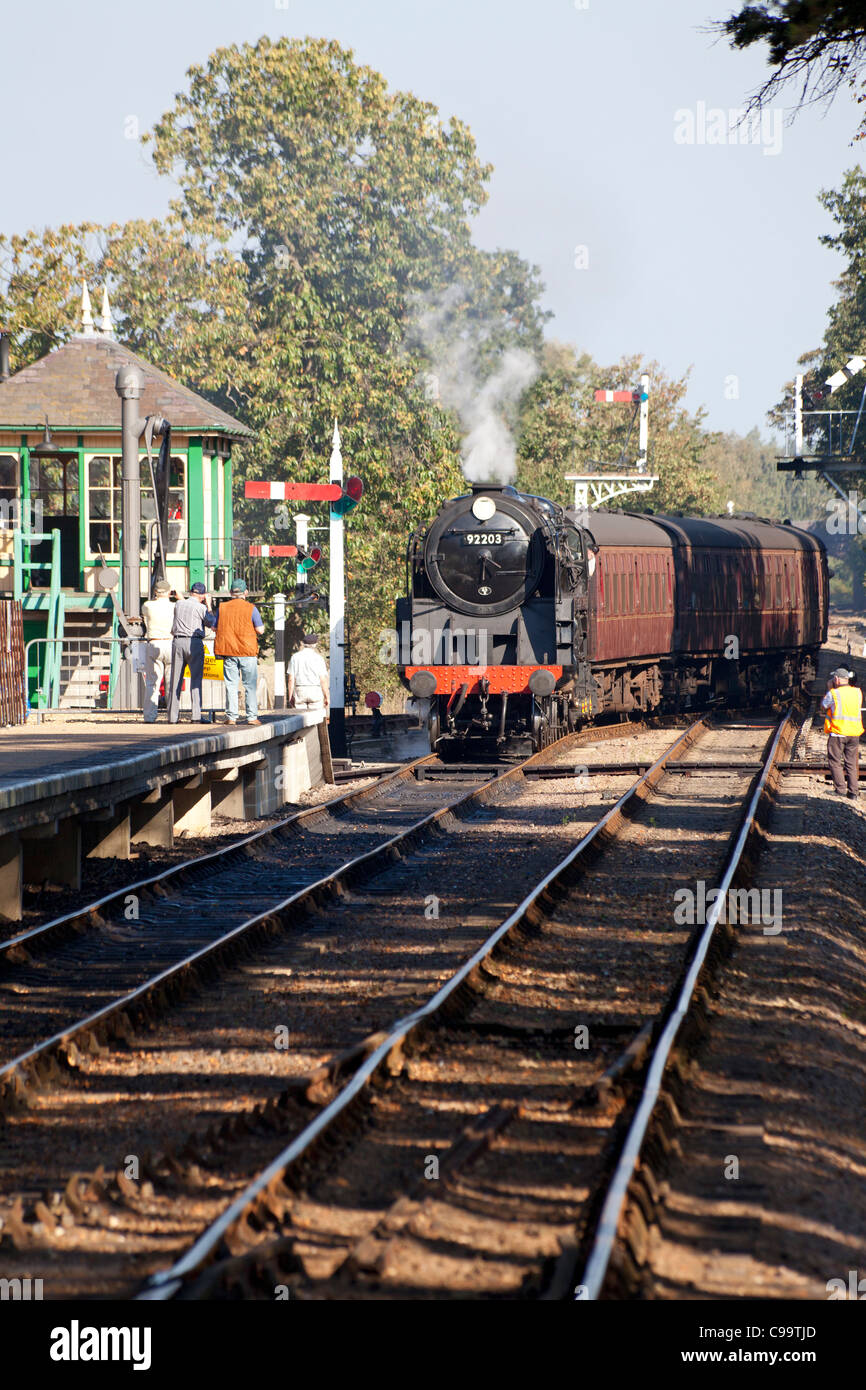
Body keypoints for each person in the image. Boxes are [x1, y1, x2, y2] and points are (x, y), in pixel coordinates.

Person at [214, 577, 265, 725]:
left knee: (231, 684)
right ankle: (251, 717)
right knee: (249, 685)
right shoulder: (251, 608)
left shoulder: (222, 608)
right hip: (247, 652)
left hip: (229, 651)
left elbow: (214, 628)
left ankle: (231, 717)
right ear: (246, 592)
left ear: (231, 592)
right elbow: (260, 630)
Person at [168, 581, 215, 723]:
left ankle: (172, 717)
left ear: (191, 592)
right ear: (202, 596)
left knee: (175, 680)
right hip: (194, 643)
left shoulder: (178, 604)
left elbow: (184, 605)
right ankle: (195, 716)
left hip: (177, 641)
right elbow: (212, 622)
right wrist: (209, 605)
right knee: (195, 680)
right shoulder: (201, 608)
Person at [821, 667, 863, 799]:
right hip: (854, 733)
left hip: (839, 733)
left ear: (837, 679)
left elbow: (824, 706)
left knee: (834, 761)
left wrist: (829, 689)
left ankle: (840, 789)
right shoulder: (857, 692)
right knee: (851, 762)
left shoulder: (834, 693)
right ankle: (853, 793)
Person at [141, 578, 174, 723]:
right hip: (171, 643)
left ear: (155, 592)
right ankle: (173, 716)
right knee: (171, 682)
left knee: (152, 682)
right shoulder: (175, 606)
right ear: (169, 592)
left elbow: (145, 620)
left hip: (154, 643)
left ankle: (149, 716)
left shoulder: (147, 605)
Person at [287, 632, 330, 713]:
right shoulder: (319, 658)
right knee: (315, 717)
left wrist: (290, 696)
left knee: (300, 719)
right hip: (315, 690)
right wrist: (326, 696)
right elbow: (323, 680)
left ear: (303, 643)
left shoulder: (295, 657)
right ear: (315, 645)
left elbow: (291, 679)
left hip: (300, 690)